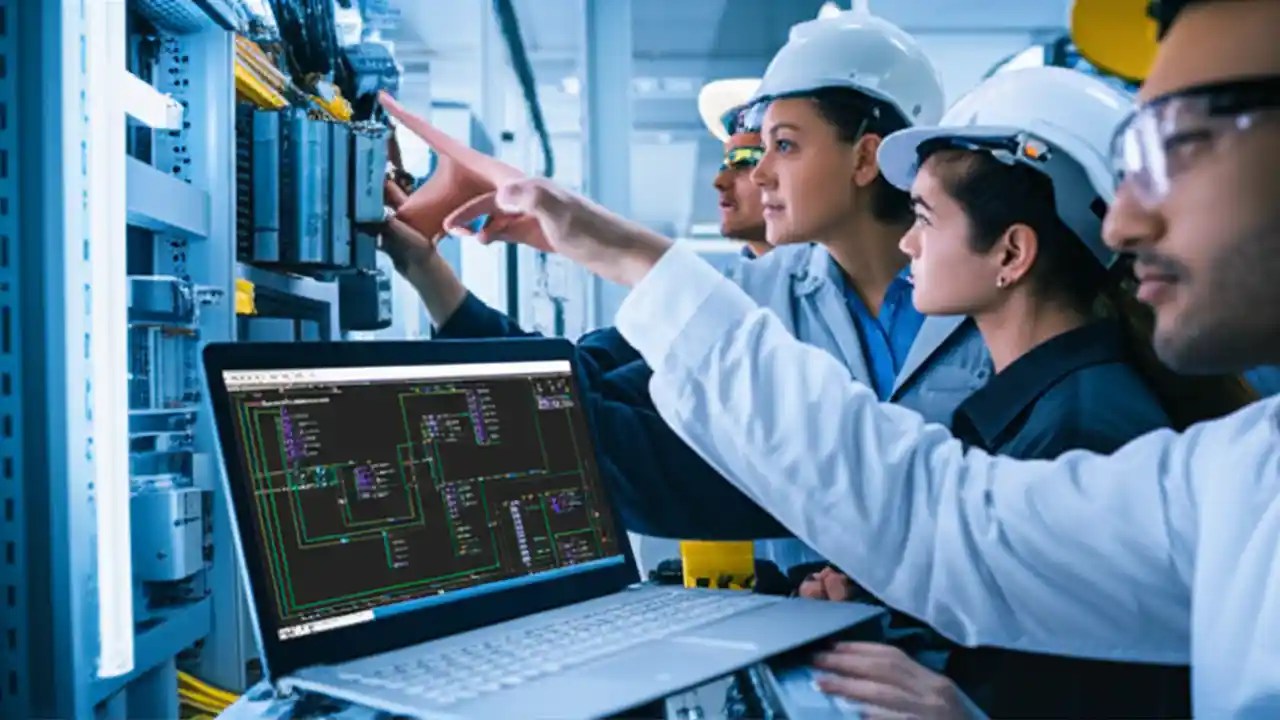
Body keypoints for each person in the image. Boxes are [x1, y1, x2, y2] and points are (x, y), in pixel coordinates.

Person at [469, 0, 1280, 716]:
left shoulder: (1094, 416)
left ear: (1013, 253)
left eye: (1186, 143)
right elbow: (940, 521)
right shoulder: (1233, 476)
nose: (1131, 223)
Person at [380, 10, 991, 577]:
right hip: (827, 641)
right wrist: (432, 275)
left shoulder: (986, 294)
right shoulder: (748, 293)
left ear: (865, 158)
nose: (756, 175)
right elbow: (579, 392)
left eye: (783, 145)